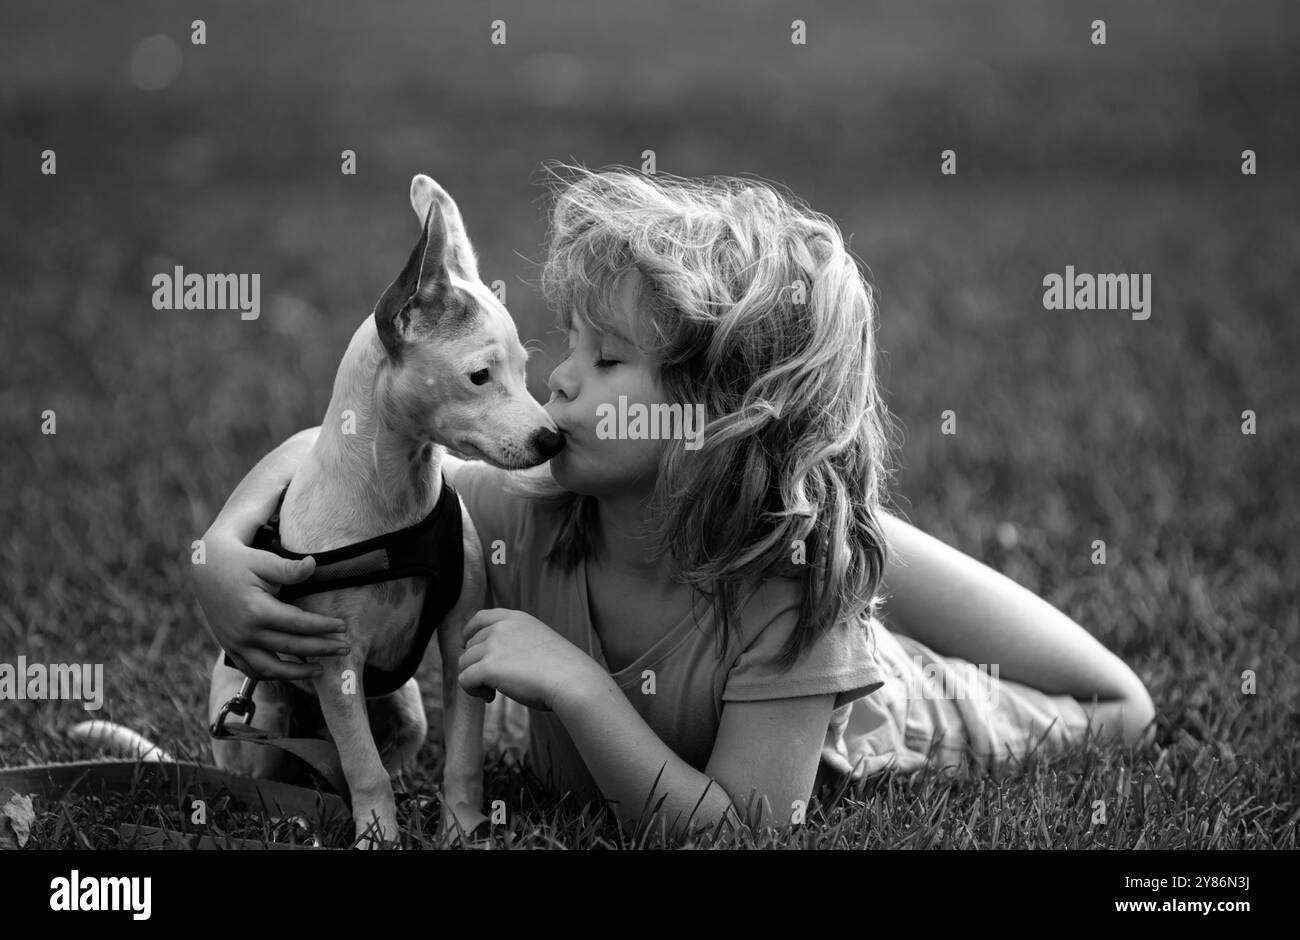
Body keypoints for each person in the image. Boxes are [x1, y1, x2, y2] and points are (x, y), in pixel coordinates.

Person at [192, 164, 1156, 838]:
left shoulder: (787, 606)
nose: (557, 385)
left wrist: (576, 682)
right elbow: (347, 446)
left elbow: (743, 830)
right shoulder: (527, 507)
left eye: (605, 361)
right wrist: (228, 549)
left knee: (1117, 708)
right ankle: (821, 515)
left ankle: (834, 525)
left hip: (912, 708)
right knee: (816, 533)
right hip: (756, 512)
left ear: (718, 421)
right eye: (568, 346)